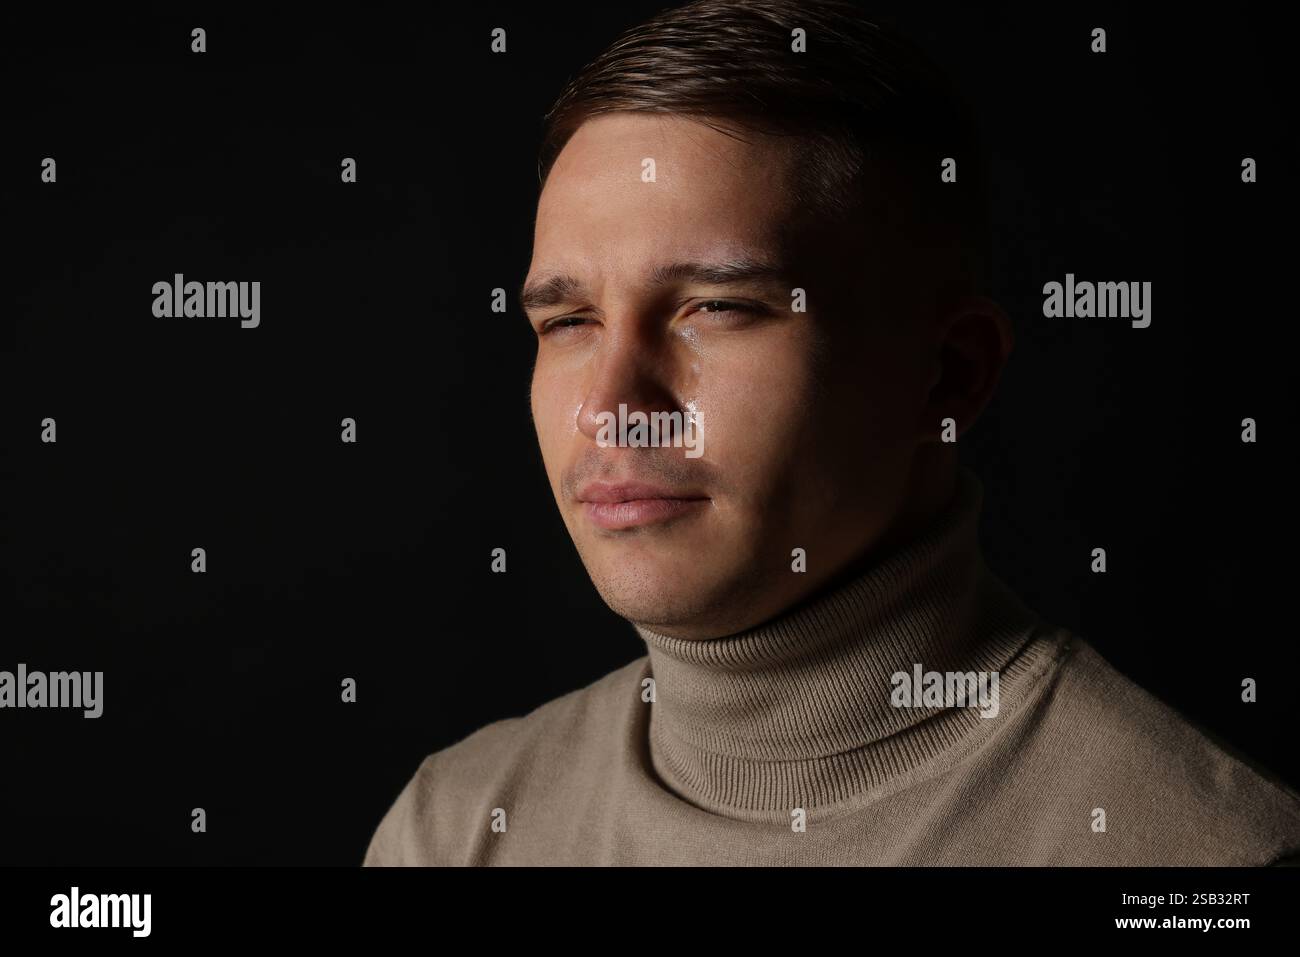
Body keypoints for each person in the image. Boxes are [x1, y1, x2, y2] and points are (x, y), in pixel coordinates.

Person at [363, 0, 1300, 865]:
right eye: (568, 322)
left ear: (950, 374)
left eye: (716, 306)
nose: (611, 404)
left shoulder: (1196, 860)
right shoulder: (452, 829)